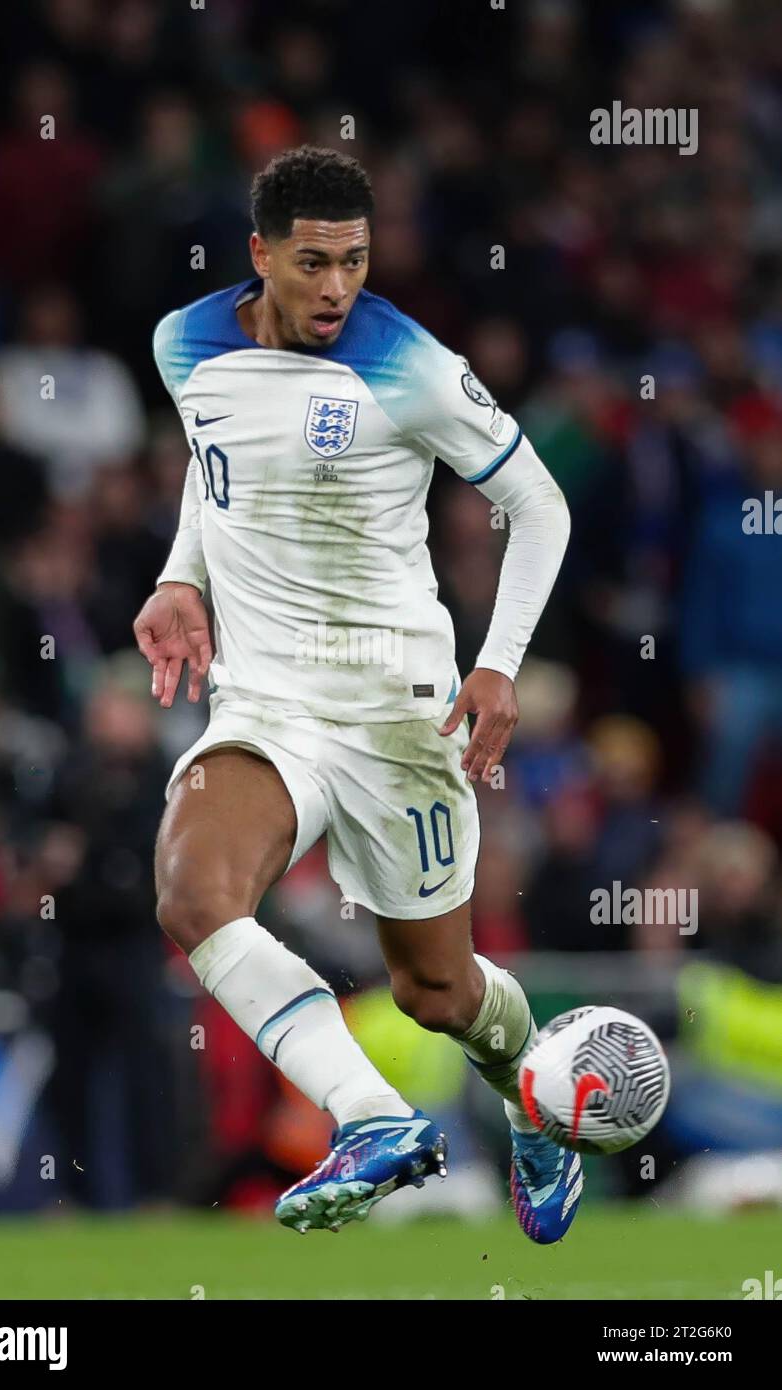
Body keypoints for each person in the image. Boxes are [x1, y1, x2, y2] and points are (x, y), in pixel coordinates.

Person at [133, 146, 576, 1241]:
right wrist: (180, 574)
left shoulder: (408, 367)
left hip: (396, 705)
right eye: (313, 262)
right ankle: (370, 1116)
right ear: (260, 254)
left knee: (434, 990)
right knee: (193, 896)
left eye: (355, 261)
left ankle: (533, 1092)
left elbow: (540, 504)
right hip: (267, 701)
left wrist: (500, 661)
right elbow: (213, 458)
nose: (336, 286)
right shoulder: (183, 342)